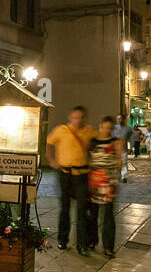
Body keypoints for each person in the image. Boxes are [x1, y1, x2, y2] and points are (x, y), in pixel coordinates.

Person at [45, 106, 95, 255]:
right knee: (65, 208)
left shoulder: (89, 131)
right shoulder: (61, 130)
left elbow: (100, 141)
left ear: (84, 118)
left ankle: (82, 244)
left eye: (80, 117)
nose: (77, 120)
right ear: (70, 117)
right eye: (75, 117)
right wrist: (51, 160)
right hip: (65, 174)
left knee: (81, 209)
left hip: (82, 174)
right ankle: (62, 239)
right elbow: (49, 143)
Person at [86, 116, 121, 258]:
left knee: (108, 215)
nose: (106, 130)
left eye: (108, 128)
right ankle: (91, 241)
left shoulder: (116, 142)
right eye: (104, 127)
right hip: (94, 181)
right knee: (92, 214)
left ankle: (108, 246)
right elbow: (87, 159)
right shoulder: (93, 142)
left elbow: (119, 161)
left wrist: (115, 173)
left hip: (108, 182)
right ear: (100, 126)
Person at [111, 115, 132, 183]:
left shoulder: (128, 128)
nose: (119, 120)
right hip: (115, 149)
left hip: (123, 148)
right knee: (116, 163)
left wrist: (131, 147)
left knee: (124, 162)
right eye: (118, 119)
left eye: (120, 118)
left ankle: (124, 176)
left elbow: (130, 138)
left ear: (123, 119)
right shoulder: (113, 128)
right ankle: (117, 176)